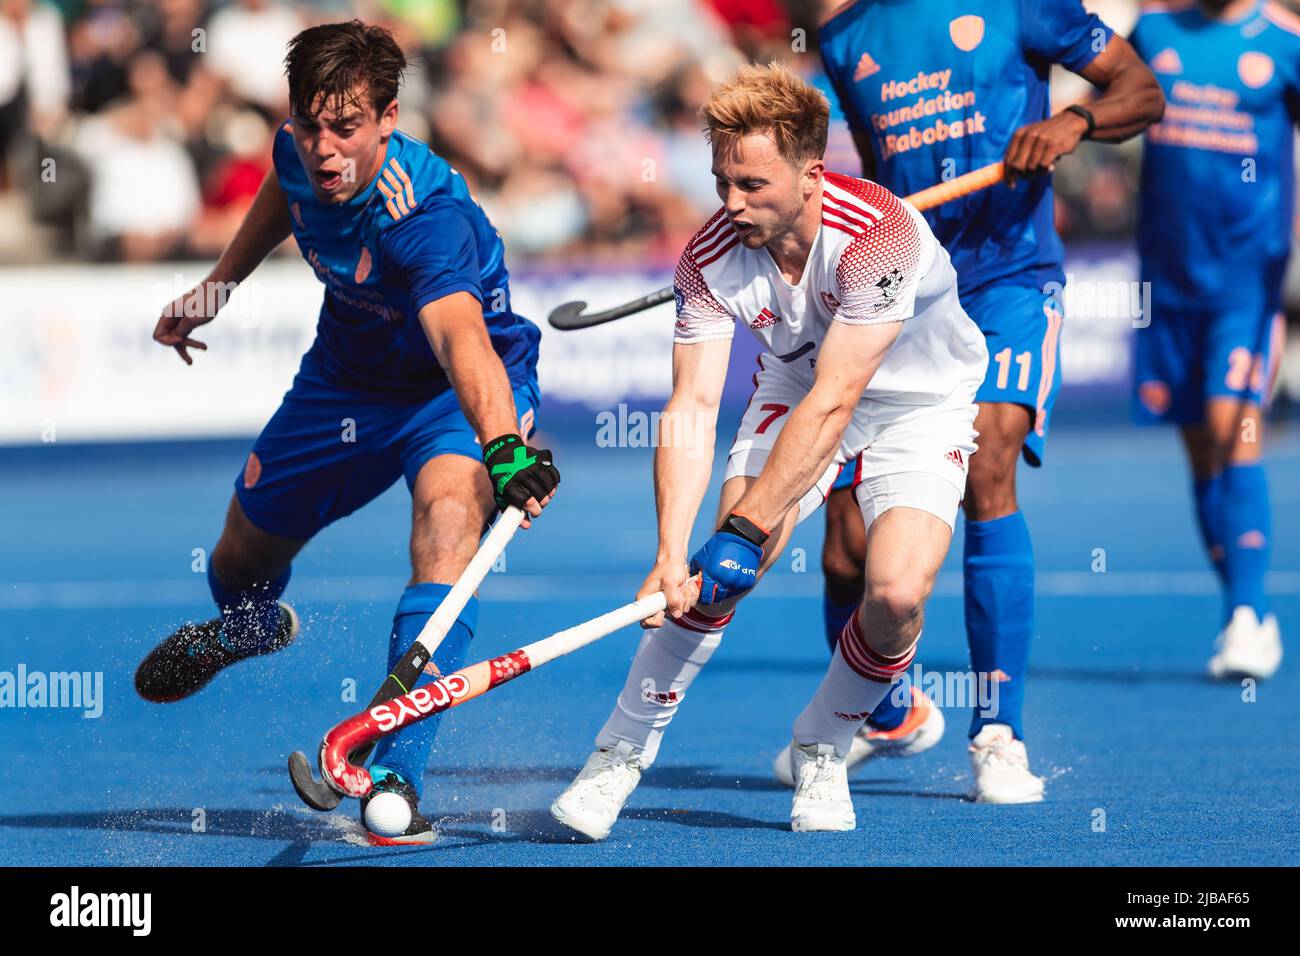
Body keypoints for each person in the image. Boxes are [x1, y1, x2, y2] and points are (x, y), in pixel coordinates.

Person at [133, 21, 560, 846]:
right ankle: (256, 628)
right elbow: (281, 194)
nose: (325, 148)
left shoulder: (424, 215)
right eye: (310, 125)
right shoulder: (297, 150)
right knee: (237, 563)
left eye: (347, 128)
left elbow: (458, 339)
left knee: (445, 527)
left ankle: (396, 772)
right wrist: (219, 287)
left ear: (389, 118)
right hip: (344, 381)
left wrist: (503, 447)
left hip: (454, 393)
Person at [549, 62, 987, 838]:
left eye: (751, 185)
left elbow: (840, 402)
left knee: (894, 598)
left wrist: (744, 533)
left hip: (917, 403)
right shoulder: (708, 255)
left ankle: (823, 741)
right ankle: (616, 756)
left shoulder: (879, 237)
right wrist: (669, 549)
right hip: (797, 382)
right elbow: (691, 406)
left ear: (813, 174)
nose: (730, 203)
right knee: (713, 582)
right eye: (721, 181)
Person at [815, 0, 1164, 802]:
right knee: (843, 540)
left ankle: (998, 735)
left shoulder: (1023, 5)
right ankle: (890, 714)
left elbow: (1142, 93)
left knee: (986, 463)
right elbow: (871, 185)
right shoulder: (841, 37)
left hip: (1009, 281)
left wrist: (1075, 120)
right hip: (903, 290)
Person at [1130, 0, 1296, 680]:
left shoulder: (1284, 41)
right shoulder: (1153, 30)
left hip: (1246, 277)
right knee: (1200, 446)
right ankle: (1240, 610)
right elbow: (1100, 106)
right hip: (1166, 277)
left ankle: (1249, 614)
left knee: (1236, 424)